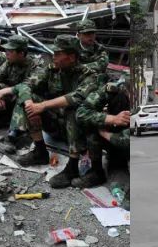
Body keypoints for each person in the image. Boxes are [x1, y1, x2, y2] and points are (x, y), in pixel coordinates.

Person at [11, 35, 97, 188]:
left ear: (71, 57)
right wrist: (30, 103)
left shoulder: (89, 75)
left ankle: (73, 166)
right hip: (56, 125)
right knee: (29, 100)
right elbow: (25, 85)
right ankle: (40, 151)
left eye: (58, 54)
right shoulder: (51, 70)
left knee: (73, 108)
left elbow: (76, 97)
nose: (53, 57)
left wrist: (43, 106)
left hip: (79, 132)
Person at [74, 79, 131, 188]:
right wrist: (111, 119)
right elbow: (81, 113)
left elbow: (127, 140)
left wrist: (104, 133)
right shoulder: (113, 90)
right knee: (91, 120)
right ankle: (97, 171)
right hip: (114, 133)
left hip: (127, 142)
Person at [0, 35, 38, 145]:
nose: (6, 53)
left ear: (21, 53)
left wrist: (1, 92)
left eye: (10, 51)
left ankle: (15, 134)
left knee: (23, 94)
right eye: (6, 50)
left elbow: (25, 86)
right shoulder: (9, 62)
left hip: (32, 104)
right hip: (12, 100)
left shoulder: (36, 65)